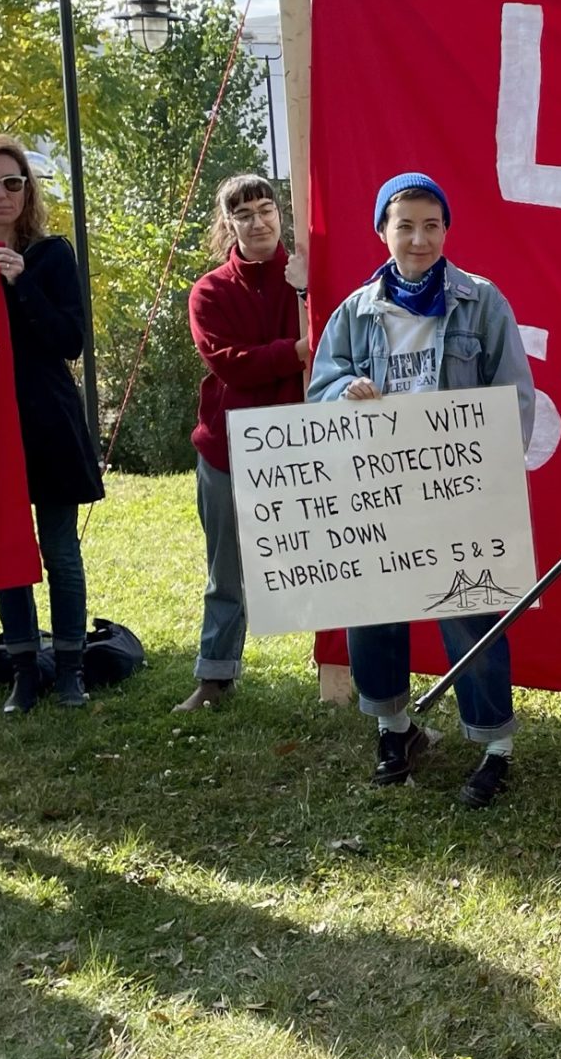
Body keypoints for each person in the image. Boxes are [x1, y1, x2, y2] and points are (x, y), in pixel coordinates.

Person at [309, 173, 536, 808]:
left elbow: (516, 392)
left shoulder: (481, 302)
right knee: (374, 607)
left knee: (471, 612)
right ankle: (396, 730)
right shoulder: (355, 312)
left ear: (446, 230)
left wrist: (485, 473)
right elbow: (320, 389)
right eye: (404, 225)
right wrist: (343, 392)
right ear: (382, 230)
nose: (419, 238)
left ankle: (495, 746)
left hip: (458, 490)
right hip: (381, 490)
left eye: (431, 225)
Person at [0, 136, 105, 715]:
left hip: (48, 419)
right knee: (7, 550)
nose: (0, 194)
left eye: (12, 183)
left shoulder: (52, 254)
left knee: (59, 549)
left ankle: (71, 669)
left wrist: (20, 281)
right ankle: (23, 670)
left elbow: (69, 341)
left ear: (27, 190)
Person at [177, 174, 307, 712]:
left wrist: (305, 291)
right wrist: (296, 350)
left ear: (280, 214)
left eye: (265, 209)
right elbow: (232, 364)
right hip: (228, 448)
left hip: (305, 444)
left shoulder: (307, 277)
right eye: (244, 213)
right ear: (228, 224)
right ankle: (216, 676)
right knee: (225, 567)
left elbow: (338, 344)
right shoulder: (210, 291)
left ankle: (350, 668)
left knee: (340, 555)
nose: (258, 222)